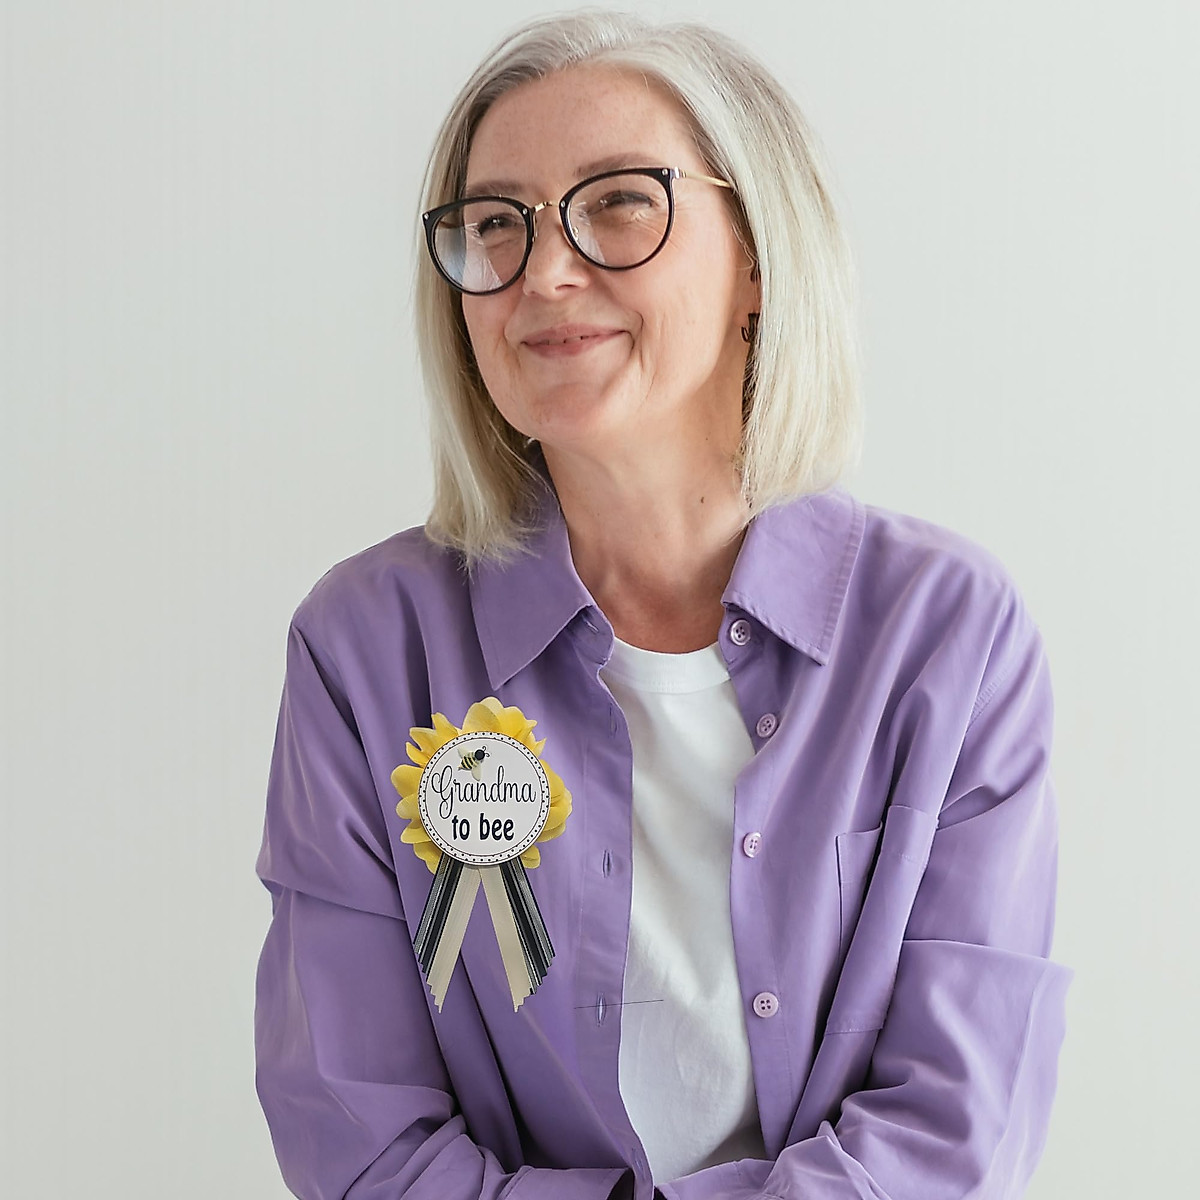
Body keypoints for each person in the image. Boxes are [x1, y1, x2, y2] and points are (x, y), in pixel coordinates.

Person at [253, 12, 1072, 1200]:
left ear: (756, 256)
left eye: (620, 202)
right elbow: (355, 1132)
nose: (542, 272)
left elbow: (958, 1127)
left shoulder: (949, 635)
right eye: (496, 223)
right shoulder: (367, 649)